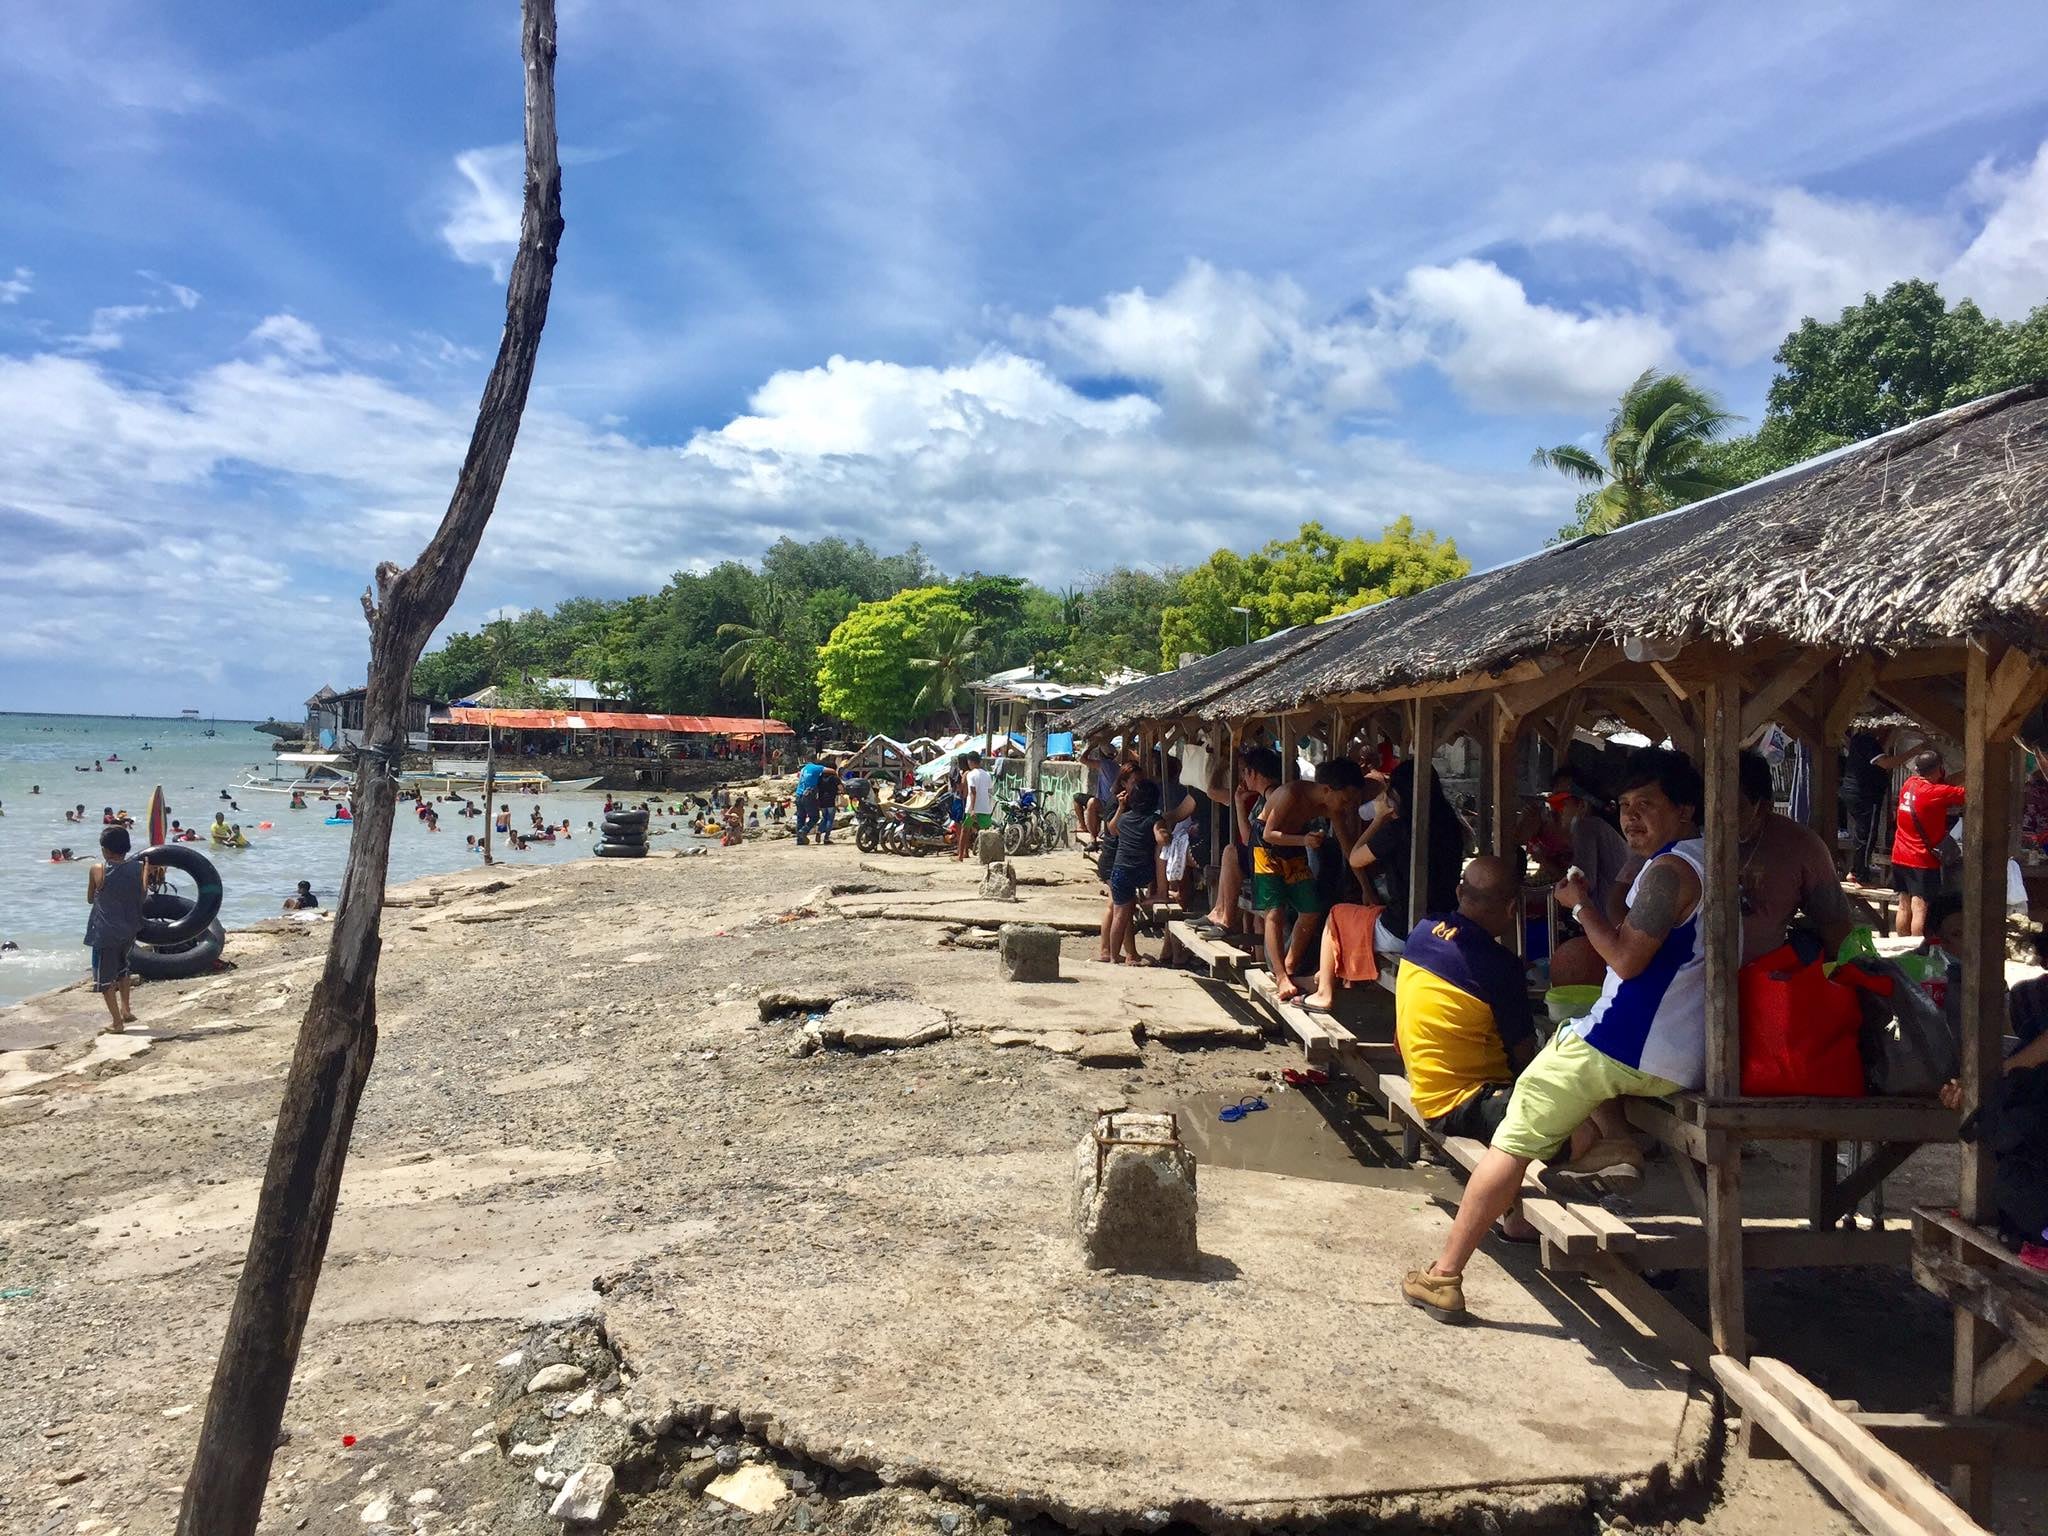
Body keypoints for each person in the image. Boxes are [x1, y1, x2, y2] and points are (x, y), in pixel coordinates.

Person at [1402, 749, 1707, 1324]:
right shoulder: (1705, 862)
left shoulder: (1668, 873)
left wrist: (1581, 905)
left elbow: (1625, 957)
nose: (1632, 819)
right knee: (1566, 1033)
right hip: (1675, 1047)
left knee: (1512, 1138)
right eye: (1625, 807)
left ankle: (1443, 1276)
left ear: (1686, 809)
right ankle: (1611, 1146)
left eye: (1648, 806)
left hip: (1628, 1042)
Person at [1393, 856, 1541, 1239]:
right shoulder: (1498, 965)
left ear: (1461, 892)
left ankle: (1517, 1212)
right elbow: (1522, 1054)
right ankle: (1521, 1218)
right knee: (1576, 1117)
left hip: (1423, 1084)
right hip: (1463, 1104)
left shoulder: (1422, 932)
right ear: (1512, 908)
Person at [1251, 756, 1369, 1001]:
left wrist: (1366, 886)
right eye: (1345, 800)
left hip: (1294, 844)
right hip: (1267, 846)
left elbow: (1349, 849)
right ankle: (1280, 975)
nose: (1346, 806)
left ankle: (1290, 966)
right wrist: (1303, 841)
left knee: (1311, 909)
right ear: (1327, 790)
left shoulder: (1329, 806)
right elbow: (1268, 833)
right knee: (1274, 912)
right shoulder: (1290, 794)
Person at [1731, 748, 1854, 963]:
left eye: (1735, 807)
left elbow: (1835, 924)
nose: (1719, 815)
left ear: (1762, 807)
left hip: (1763, 979)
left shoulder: (1800, 846)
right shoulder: (1693, 837)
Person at [1891, 749, 1966, 938]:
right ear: (1939, 769)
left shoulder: (1909, 784)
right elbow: (1967, 794)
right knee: (1921, 908)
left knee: (1904, 905)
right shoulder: (1936, 793)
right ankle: (1919, 952)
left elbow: (1942, 786)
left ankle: (1902, 948)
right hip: (1921, 859)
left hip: (1899, 855)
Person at [85, 825, 147, 1032]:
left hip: (105, 933)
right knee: (123, 969)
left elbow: (89, 898)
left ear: (104, 849)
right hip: (129, 930)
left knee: (104, 981)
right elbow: (143, 893)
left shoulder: (98, 869)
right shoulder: (140, 868)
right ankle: (126, 1010)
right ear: (127, 847)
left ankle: (117, 1023)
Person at [1097, 779, 1162, 965]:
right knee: (1159, 853)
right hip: (1143, 873)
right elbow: (1160, 837)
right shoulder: (1154, 820)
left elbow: (1112, 829)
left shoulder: (1124, 819)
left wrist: (1121, 807)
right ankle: (1159, 892)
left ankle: (1114, 956)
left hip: (1119, 871)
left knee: (1119, 914)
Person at [956, 752, 995, 861]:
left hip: (972, 807)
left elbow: (973, 792)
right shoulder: (987, 774)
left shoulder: (971, 774)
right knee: (986, 832)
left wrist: (972, 809)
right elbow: (988, 790)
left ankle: (960, 856)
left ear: (970, 762)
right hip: (985, 807)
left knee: (965, 829)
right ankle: (987, 857)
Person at [793, 755, 826, 845]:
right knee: (815, 817)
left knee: (800, 818)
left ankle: (799, 840)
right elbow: (832, 771)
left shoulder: (803, 769)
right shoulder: (817, 768)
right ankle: (804, 830)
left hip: (798, 794)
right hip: (808, 795)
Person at [816, 760, 842, 845]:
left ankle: (819, 831)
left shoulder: (820, 777)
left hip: (821, 800)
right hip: (831, 800)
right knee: (830, 819)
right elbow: (841, 788)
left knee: (824, 818)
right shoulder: (834, 777)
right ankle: (826, 838)